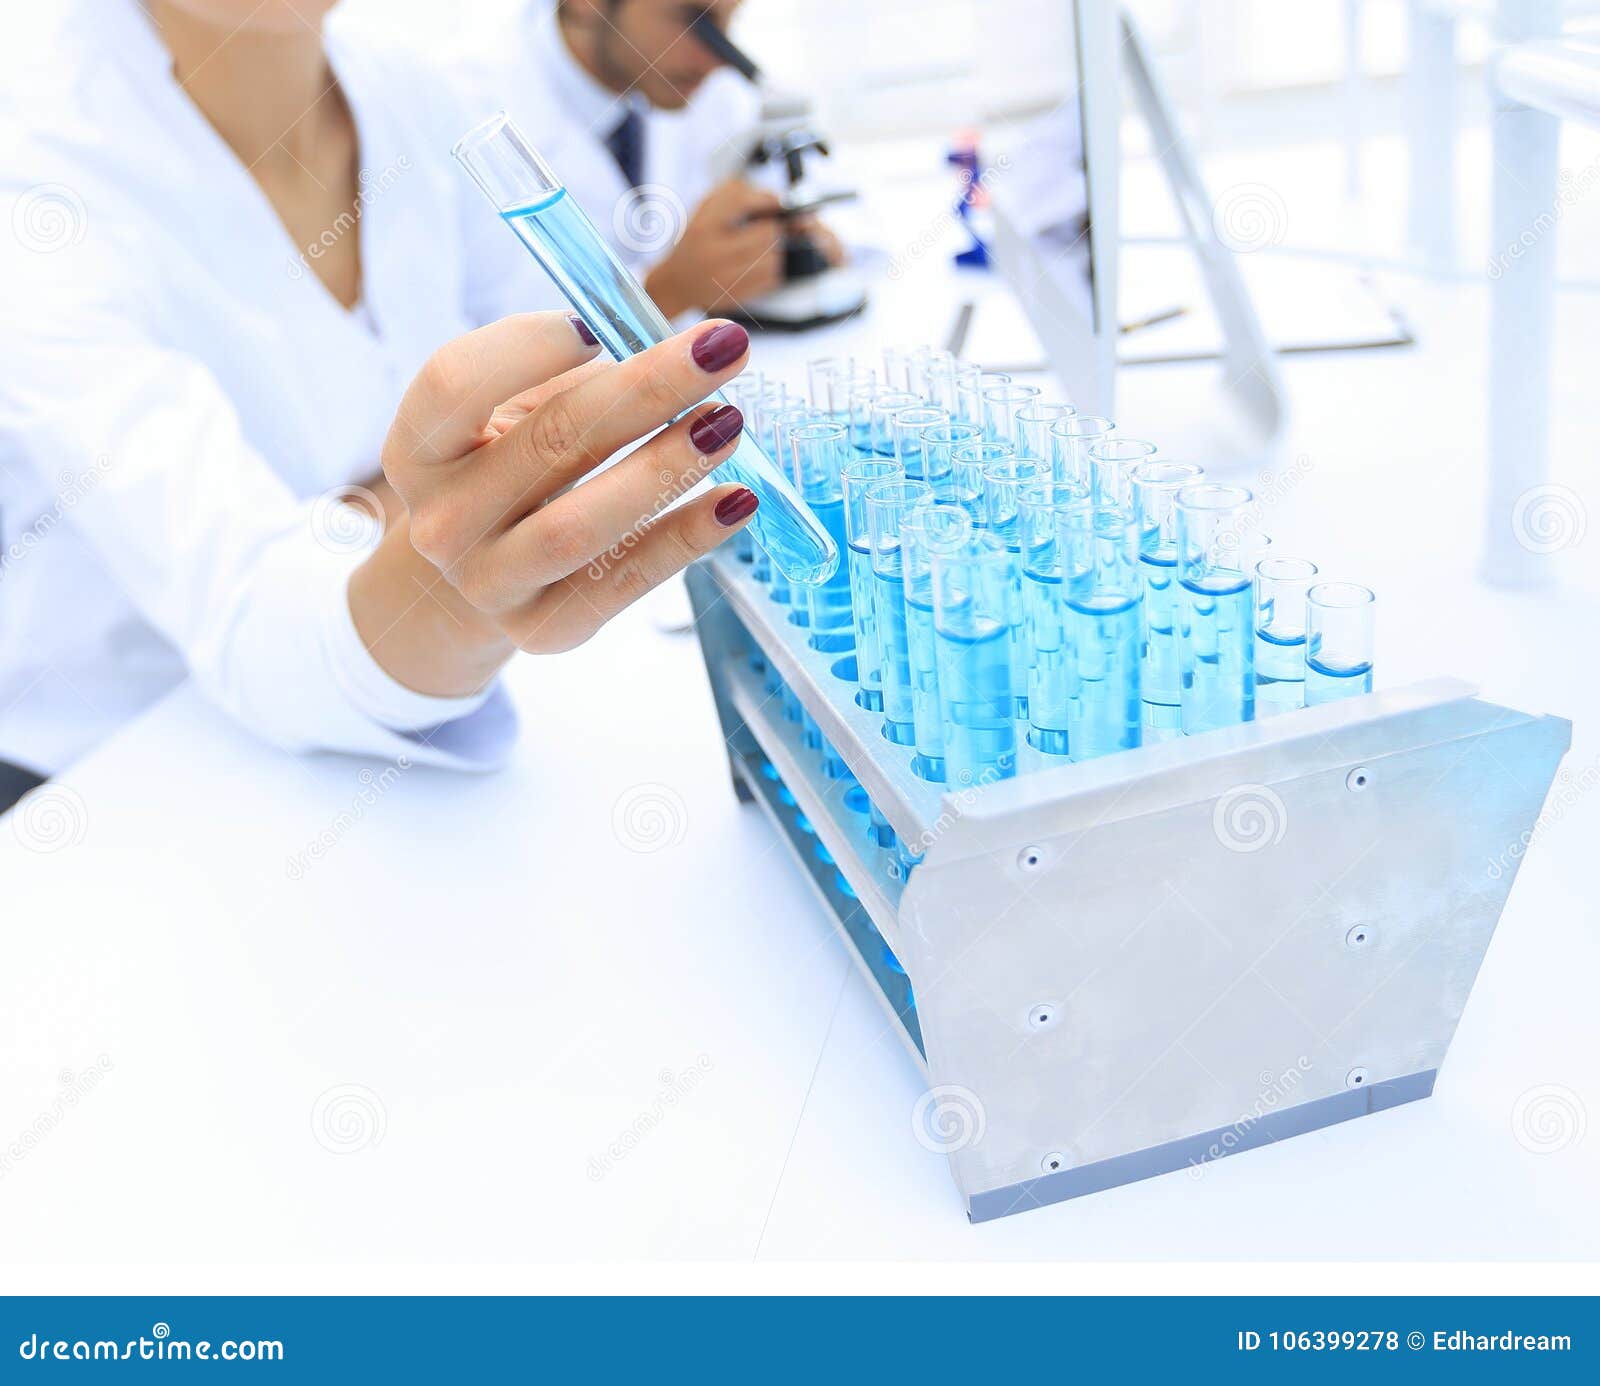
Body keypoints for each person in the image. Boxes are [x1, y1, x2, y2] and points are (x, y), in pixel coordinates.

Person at [0, 0, 761, 812]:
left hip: (402, 787)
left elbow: (570, 397)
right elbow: (252, 614)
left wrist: (412, 518)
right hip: (108, 786)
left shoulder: (411, 92)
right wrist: (451, 561)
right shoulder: (36, 179)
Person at [465, 0, 842, 319]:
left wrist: (804, 243)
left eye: (728, 23)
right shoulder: (467, 111)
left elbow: (841, 209)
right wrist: (664, 292)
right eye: (696, 21)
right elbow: (480, 342)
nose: (718, 61)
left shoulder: (703, 89)